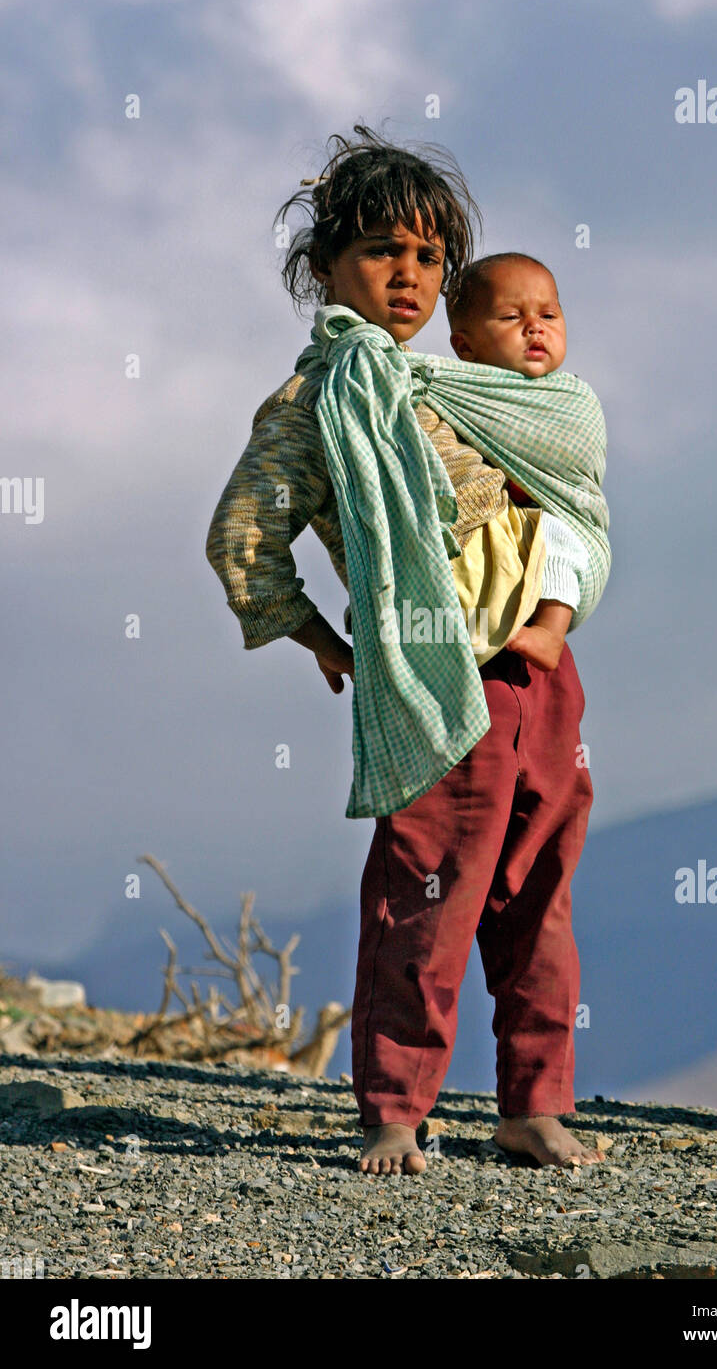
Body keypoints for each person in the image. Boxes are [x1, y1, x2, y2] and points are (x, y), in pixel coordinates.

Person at [205, 125, 605, 1175]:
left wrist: (557, 604)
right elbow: (242, 536)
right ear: (326, 262)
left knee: (538, 896)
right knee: (424, 893)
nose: (410, 276)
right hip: (433, 681)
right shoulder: (318, 402)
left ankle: (532, 1106)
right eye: (385, 250)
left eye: (430, 257)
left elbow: (565, 487)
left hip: (542, 679)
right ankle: (393, 1111)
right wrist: (321, 641)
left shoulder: (455, 385)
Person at [446, 251, 590, 674]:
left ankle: (550, 630)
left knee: (562, 536)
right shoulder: (456, 395)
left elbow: (571, 460)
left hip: (548, 515)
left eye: (549, 315)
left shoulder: (566, 395)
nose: (535, 327)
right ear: (465, 347)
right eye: (511, 318)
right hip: (496, 537)